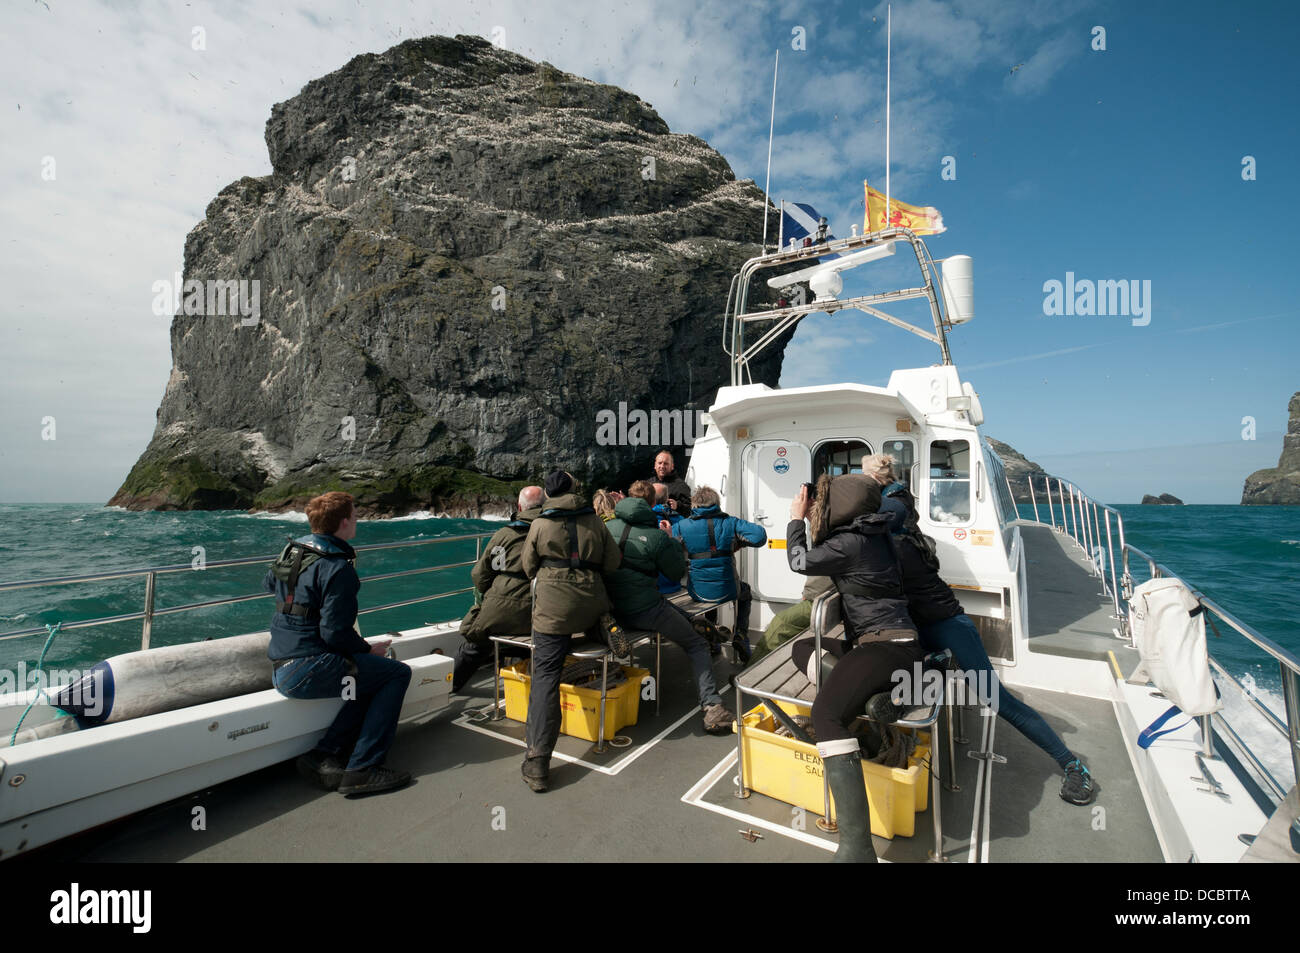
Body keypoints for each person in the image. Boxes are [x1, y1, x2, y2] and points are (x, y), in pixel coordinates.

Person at [880, 483, 1099, 806]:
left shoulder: (901, 546)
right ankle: (937, 663)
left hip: (950, 629)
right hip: (923, 633)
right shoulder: (909, 538)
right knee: (899, 675)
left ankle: (1072, 764)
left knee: (999, 701)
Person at [786, 475, 922, 862]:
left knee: (825, 715)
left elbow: (799, 561)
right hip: (896, 646)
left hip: (885, 647)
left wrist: (797, 520)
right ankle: (876, 699)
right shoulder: (877, 535)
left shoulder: (849, 543)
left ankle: (858, 849)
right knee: (803, 649)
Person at [265, 491, 413, 796]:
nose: (357, 520)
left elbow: (270, 584)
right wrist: (365, 649)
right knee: (396, 673)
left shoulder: (292, 552)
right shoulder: (338, 568)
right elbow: (334, 633)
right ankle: (363, 769)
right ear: (344, 522)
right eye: (356, 515)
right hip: (308, 667)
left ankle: (325, 753)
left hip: (281, 663)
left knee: (368, 678)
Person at [519, 470, 623, 792]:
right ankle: (607, 628)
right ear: (575, 490)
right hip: (591, 602)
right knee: (596, 614)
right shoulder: (594, 521)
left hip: (554, 613)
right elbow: (613, 563)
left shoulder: (539, 524)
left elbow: (528, 567)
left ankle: (538, 762)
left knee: (546, 675)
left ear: (549, 494)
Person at [605, 480, 735, 734]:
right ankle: (712, 707)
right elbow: (675, 573)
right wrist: (670, 541)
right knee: (697, 645)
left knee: (672, 610)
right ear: (654, 503)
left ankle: (696, 623)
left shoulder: (606, 527)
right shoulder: (655, 536)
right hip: (645, 610)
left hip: (611, 609)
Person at [452, 486, 544, 693]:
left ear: (519, 506)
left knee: (476, 642)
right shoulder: (555, 533)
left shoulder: (505, 535)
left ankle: (450, 686)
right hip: (542, 614)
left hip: (502, 614)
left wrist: (493, 593)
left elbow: (480, 575)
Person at [672, 485, 767, 662]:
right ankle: (740, 634)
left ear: (694, 505)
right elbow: (759, 536)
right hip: (728, 590)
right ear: (717, 503)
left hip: (698, 592)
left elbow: (669, 545)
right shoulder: (731, 522)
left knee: (708, 586)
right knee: (745, 592)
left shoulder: (682, 526)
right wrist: (737, 544)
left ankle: (712, 642)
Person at [650, 449, 692, 515]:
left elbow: (690, 508)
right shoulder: (649, 483)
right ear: (655, 465)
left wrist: (677, 505)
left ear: (672, 466)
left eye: (666, 463)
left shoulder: (681, 486)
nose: (662, 466)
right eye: (660, 463)